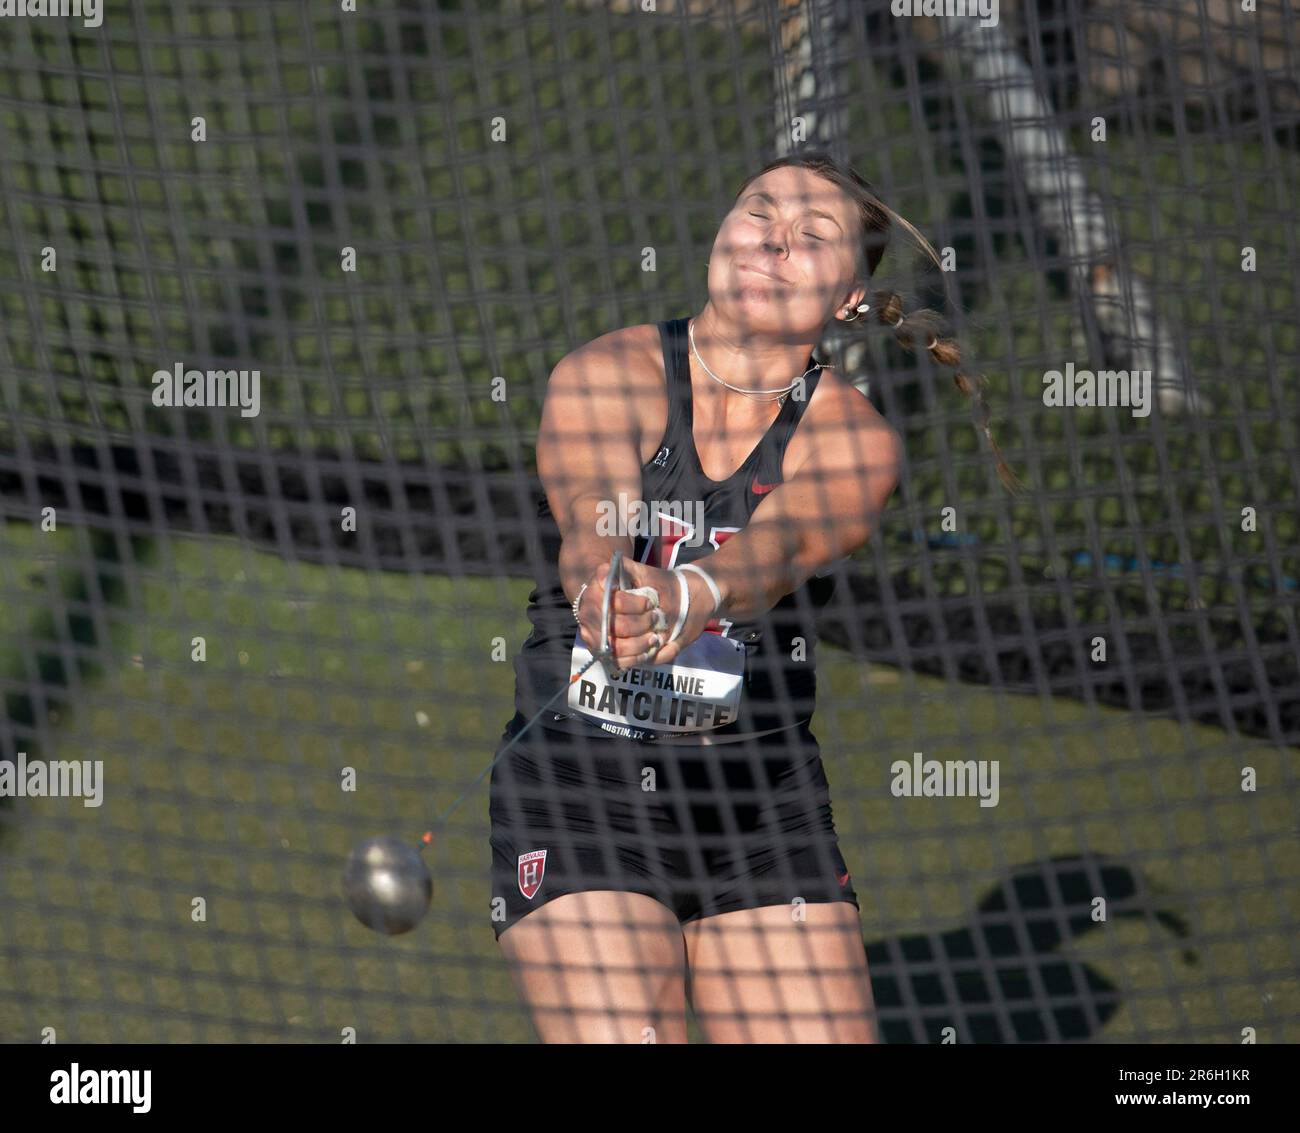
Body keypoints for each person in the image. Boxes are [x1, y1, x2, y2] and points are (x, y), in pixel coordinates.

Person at [488, 150, 1018, 1044]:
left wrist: (692, 592)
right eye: (757, 211)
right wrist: (608, 583)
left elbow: (788, 542)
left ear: (850, 296)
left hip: (759, 804)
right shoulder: (608, 370)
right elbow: (592, 511)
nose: (773, 236)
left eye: (813, 235)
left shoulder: (855, 437)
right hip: (582, 789)